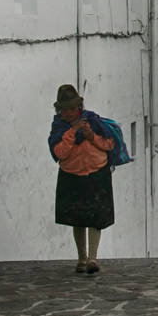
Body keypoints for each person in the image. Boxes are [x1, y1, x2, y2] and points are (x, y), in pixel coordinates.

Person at [49, 84, 116, 275]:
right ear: (59, 110)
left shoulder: (93, 121)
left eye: (73, 108)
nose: (70, 112)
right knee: (78, 219)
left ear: (79, 106)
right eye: (65, 109)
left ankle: (92, 259)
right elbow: (59, 153)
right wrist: (72, 132)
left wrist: (90, 135)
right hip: (72, 177)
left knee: (96, 218)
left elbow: (109, 144)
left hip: (97, 174)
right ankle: (82, 259)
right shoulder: (59, 128)